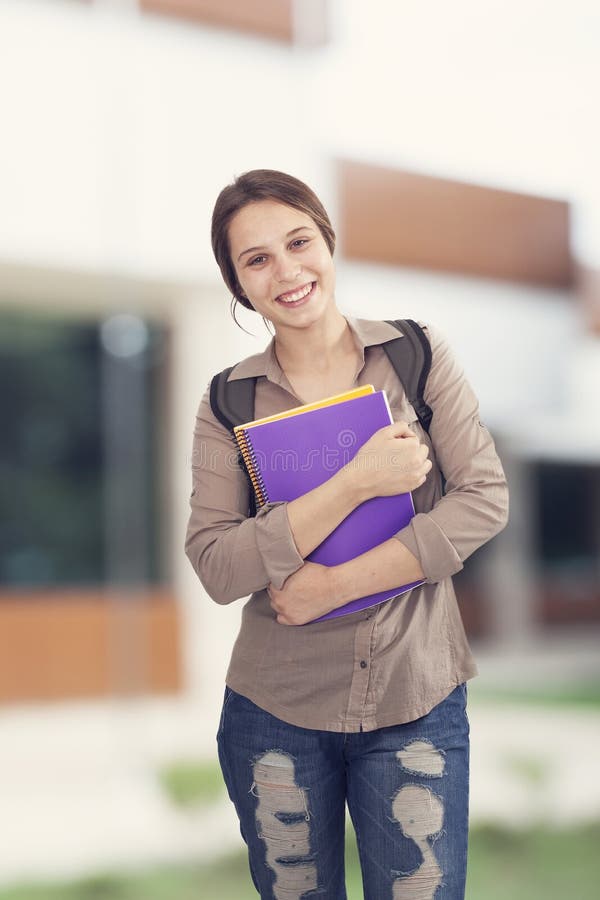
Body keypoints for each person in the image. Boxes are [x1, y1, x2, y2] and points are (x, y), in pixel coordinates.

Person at [185, 169, 509, 899]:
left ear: (328, 241)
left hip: (415, 695)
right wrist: (357, 481)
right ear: (239, 285)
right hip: (275, 711)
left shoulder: (415, 354)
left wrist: (333, 587)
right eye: (257, 259)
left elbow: (484, 499)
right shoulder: (228, 402)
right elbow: (215, 564)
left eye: (299, 242)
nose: (286, 271)